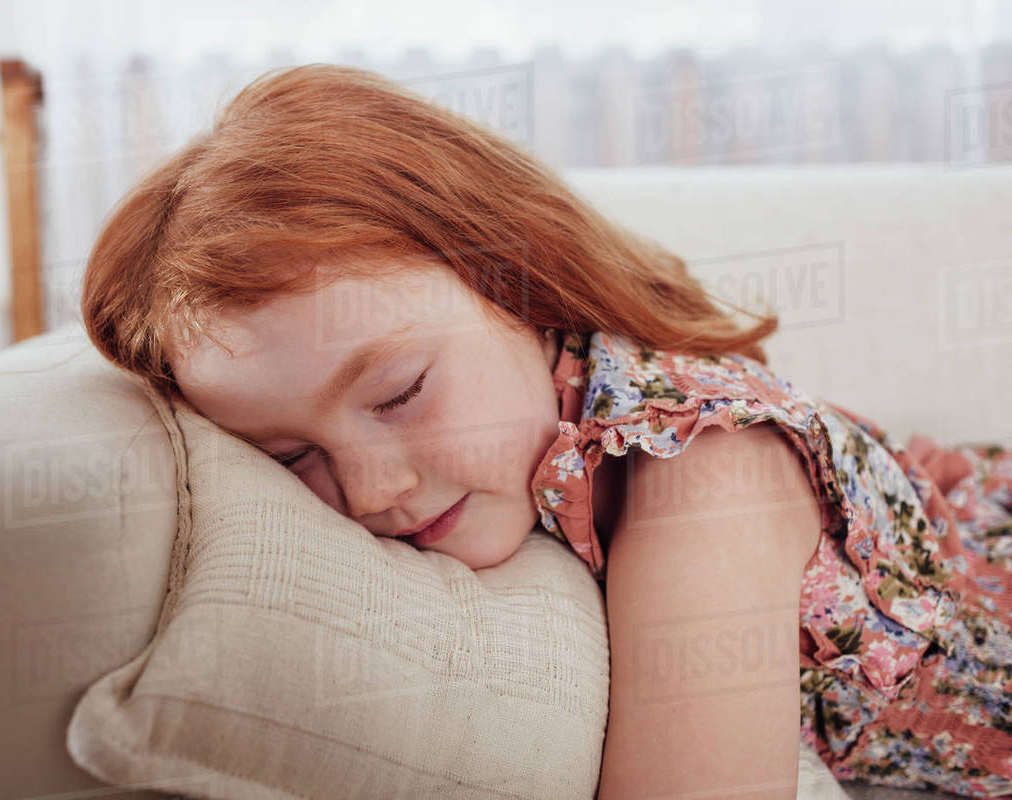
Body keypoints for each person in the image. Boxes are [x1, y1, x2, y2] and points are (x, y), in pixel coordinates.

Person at [80, 63, 1012, 798]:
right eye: (290, 456)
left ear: (518, 284)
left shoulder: (704, 478)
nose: (369, 491)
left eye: (400, 394)